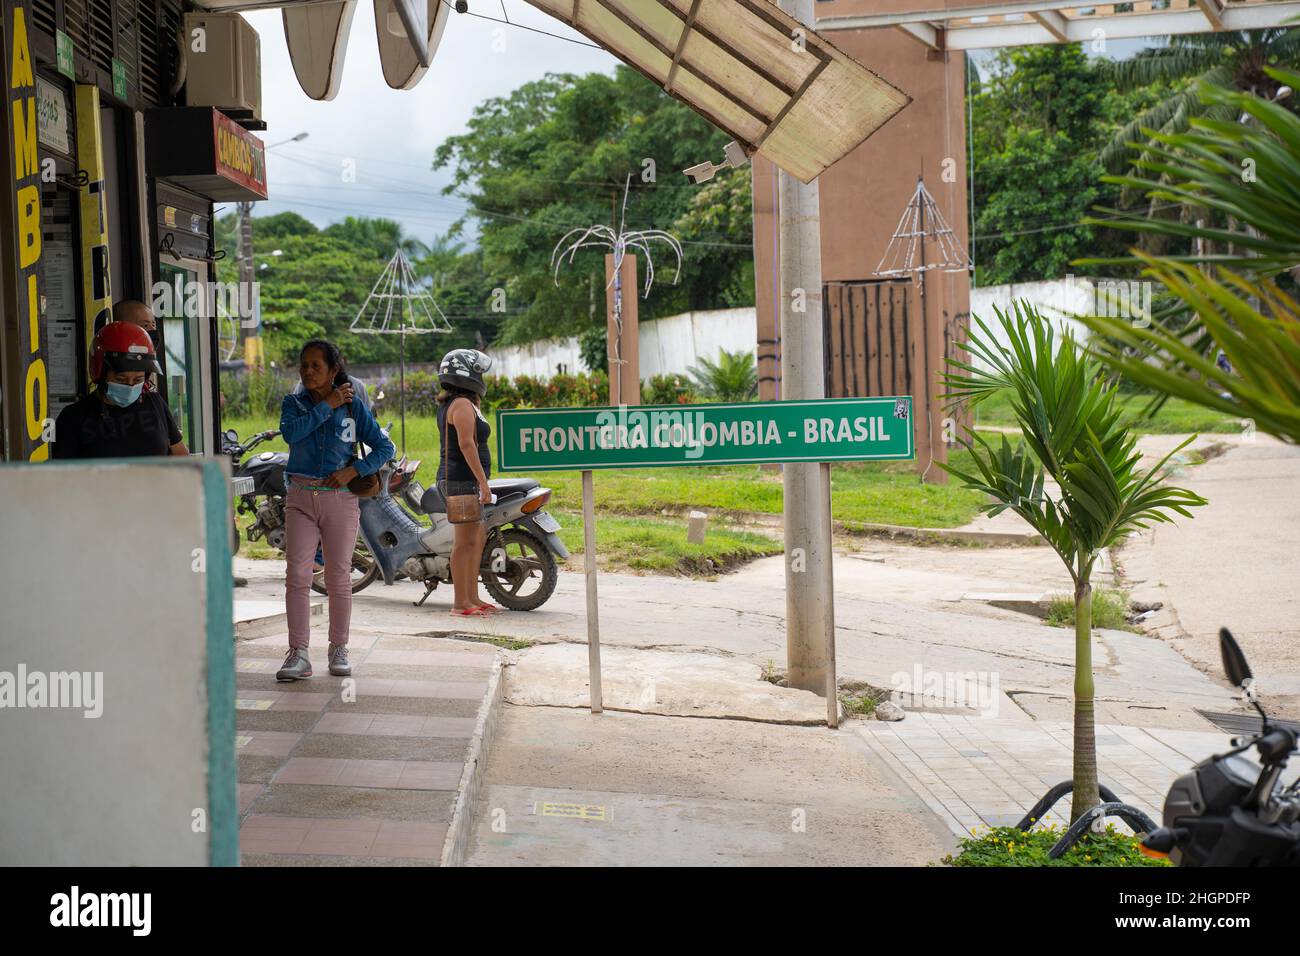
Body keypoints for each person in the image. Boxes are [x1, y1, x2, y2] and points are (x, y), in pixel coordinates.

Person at [276, 339, 394, 682]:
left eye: (316, 366)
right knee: (297, 575)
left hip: (340, 499)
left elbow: (385, 446)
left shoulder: (353, 406)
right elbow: (291, 434)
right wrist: (326, 405)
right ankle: (298, 653)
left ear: (333, 370)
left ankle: (338, 648)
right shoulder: (293, 404)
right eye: (304, 365)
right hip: (299, 496)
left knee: (338, 577)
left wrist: (354, 471)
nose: (308, 372)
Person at [52, 321, 189, 459]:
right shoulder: (73, 417)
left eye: (137, 380)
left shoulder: (155, 404)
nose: (130, 386)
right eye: (120, 380)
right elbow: (60, 475)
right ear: (101, 375)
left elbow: (181, 455)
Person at [436, 348, 497, 617]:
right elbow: (466, 444)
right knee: (464, 543)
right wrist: (483, 483)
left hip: (467, 481)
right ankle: (460, 603)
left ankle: (472, 597)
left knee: (475, 540)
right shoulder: (460, 405)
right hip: (462, 481)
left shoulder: (463, 403)